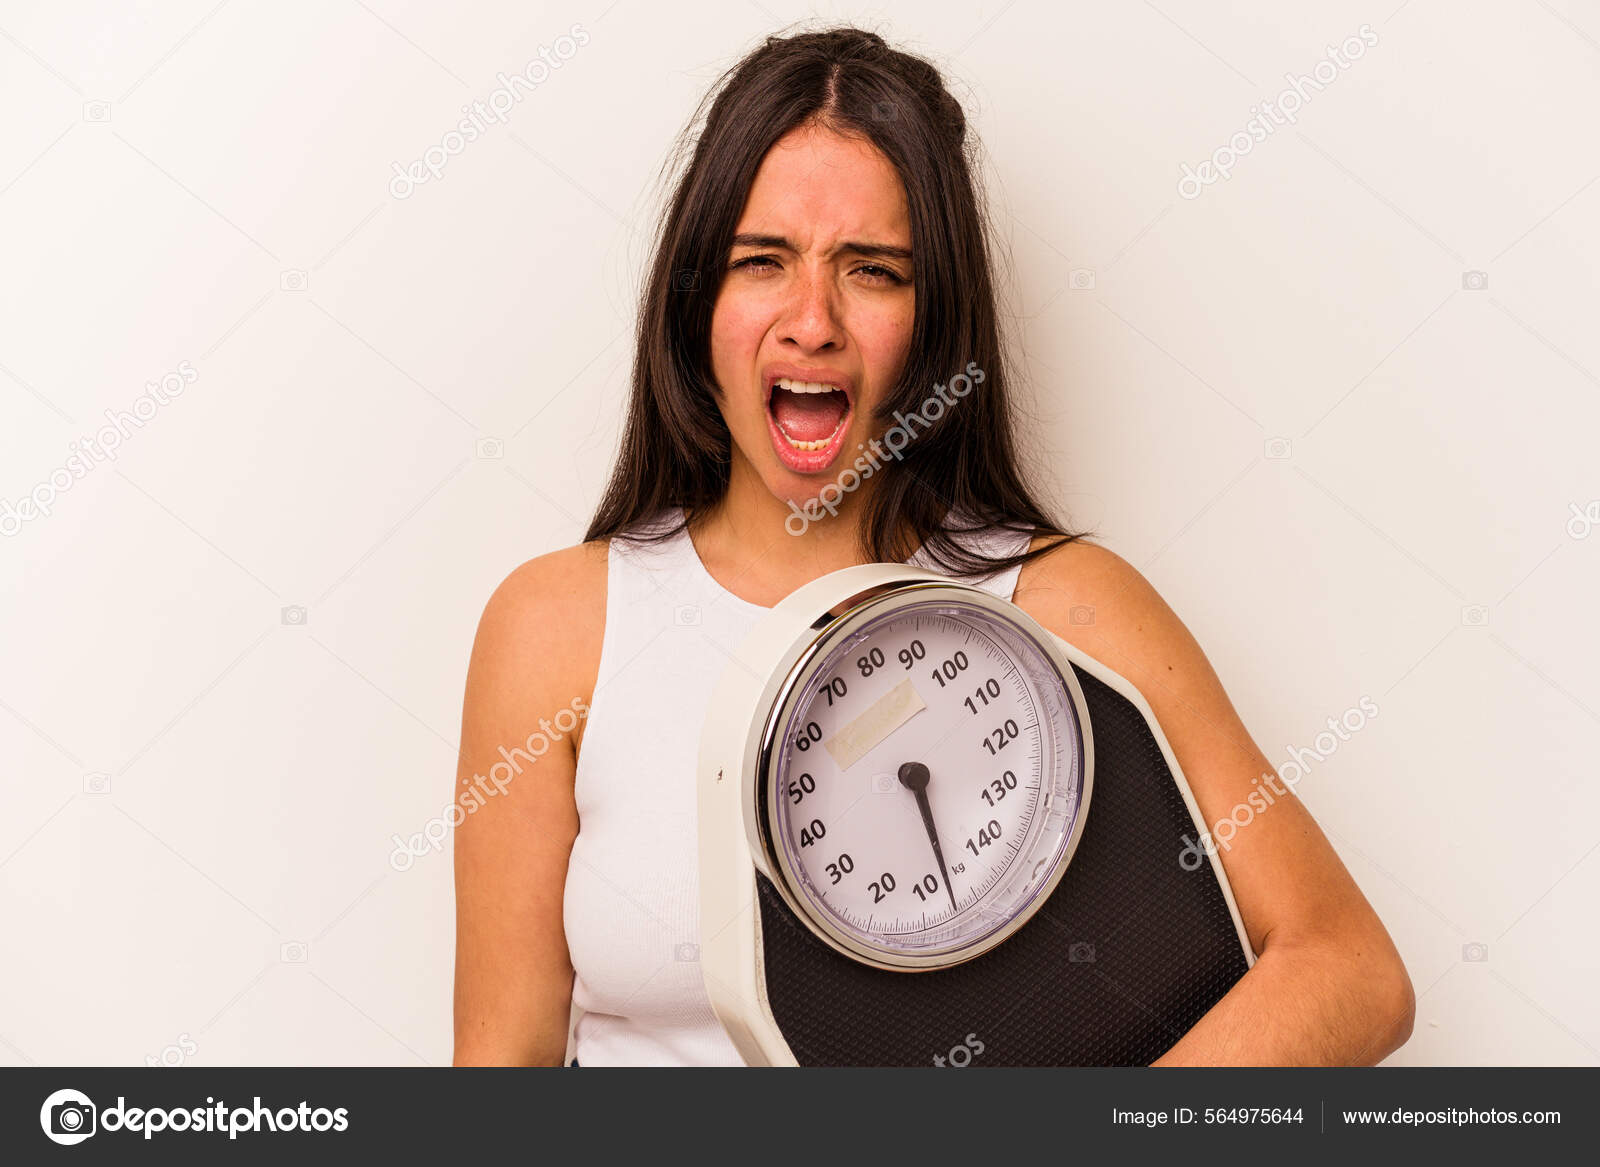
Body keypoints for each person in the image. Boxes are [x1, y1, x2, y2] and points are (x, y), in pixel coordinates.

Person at [451, 25, 1414, 1067]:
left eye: (872, 271)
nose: (811, 321)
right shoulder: (557, 628)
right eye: (761, 261)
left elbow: (1349, 968)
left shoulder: (1068, 610)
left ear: (936, 320)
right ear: (695, 306)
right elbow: (500, 1064)